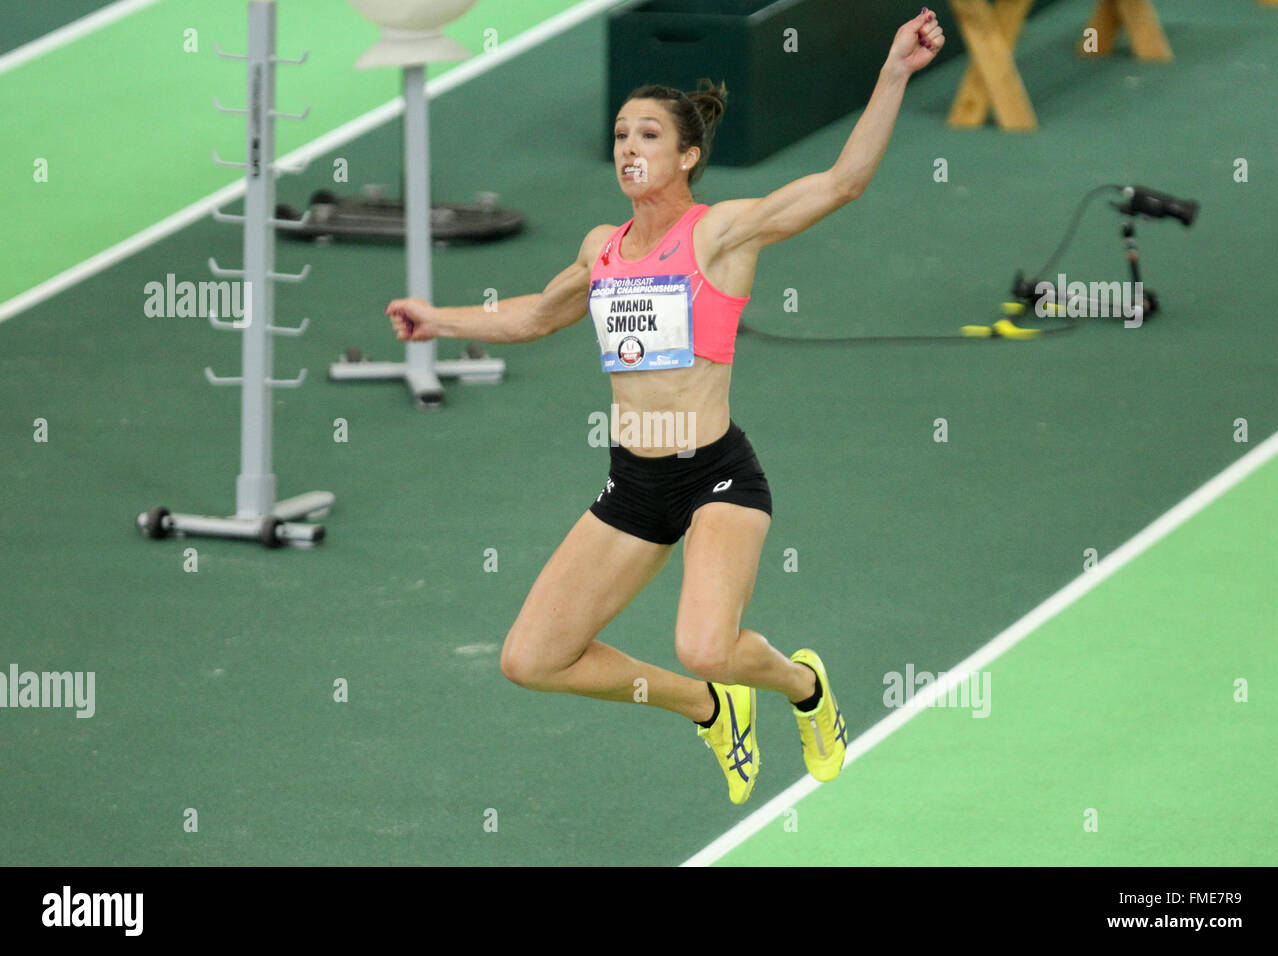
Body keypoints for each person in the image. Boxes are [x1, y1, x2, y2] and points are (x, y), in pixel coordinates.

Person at [386, 10, 946, 804]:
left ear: (686, 155)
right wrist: (438, 320)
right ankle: (705, 708)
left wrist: (893, 71)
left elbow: (841, 183)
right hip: (635, 484)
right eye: (620, 134)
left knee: (706, 643)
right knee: (532, 659)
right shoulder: (600, 250)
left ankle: (803, 688)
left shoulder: (719, 235)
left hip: (716, 474)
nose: (627, 148)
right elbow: (537, 316)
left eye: (647, 135)